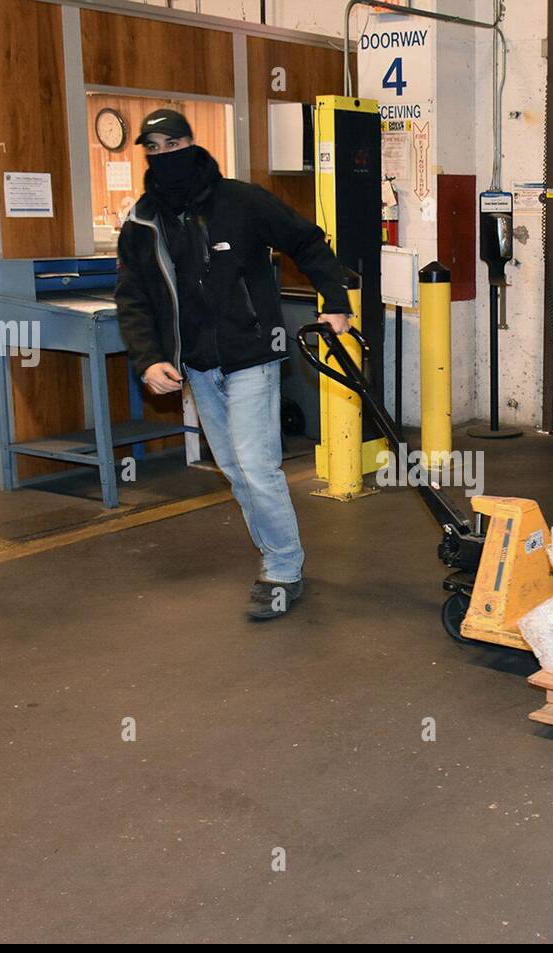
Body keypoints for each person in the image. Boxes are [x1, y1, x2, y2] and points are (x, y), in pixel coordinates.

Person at [115, 109, 352, 620]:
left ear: (191, 144)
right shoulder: (142, 220)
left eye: (170, 145)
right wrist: (149, 358)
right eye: (151, 149)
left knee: (258, 468)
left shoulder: (240, 201)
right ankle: (275, 555)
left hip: (252, 357)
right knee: (235, 471)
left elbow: (306, 240)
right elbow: (132, 296)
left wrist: (334, 298)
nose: (162, 156)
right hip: (196, 367)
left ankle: (284, 569)